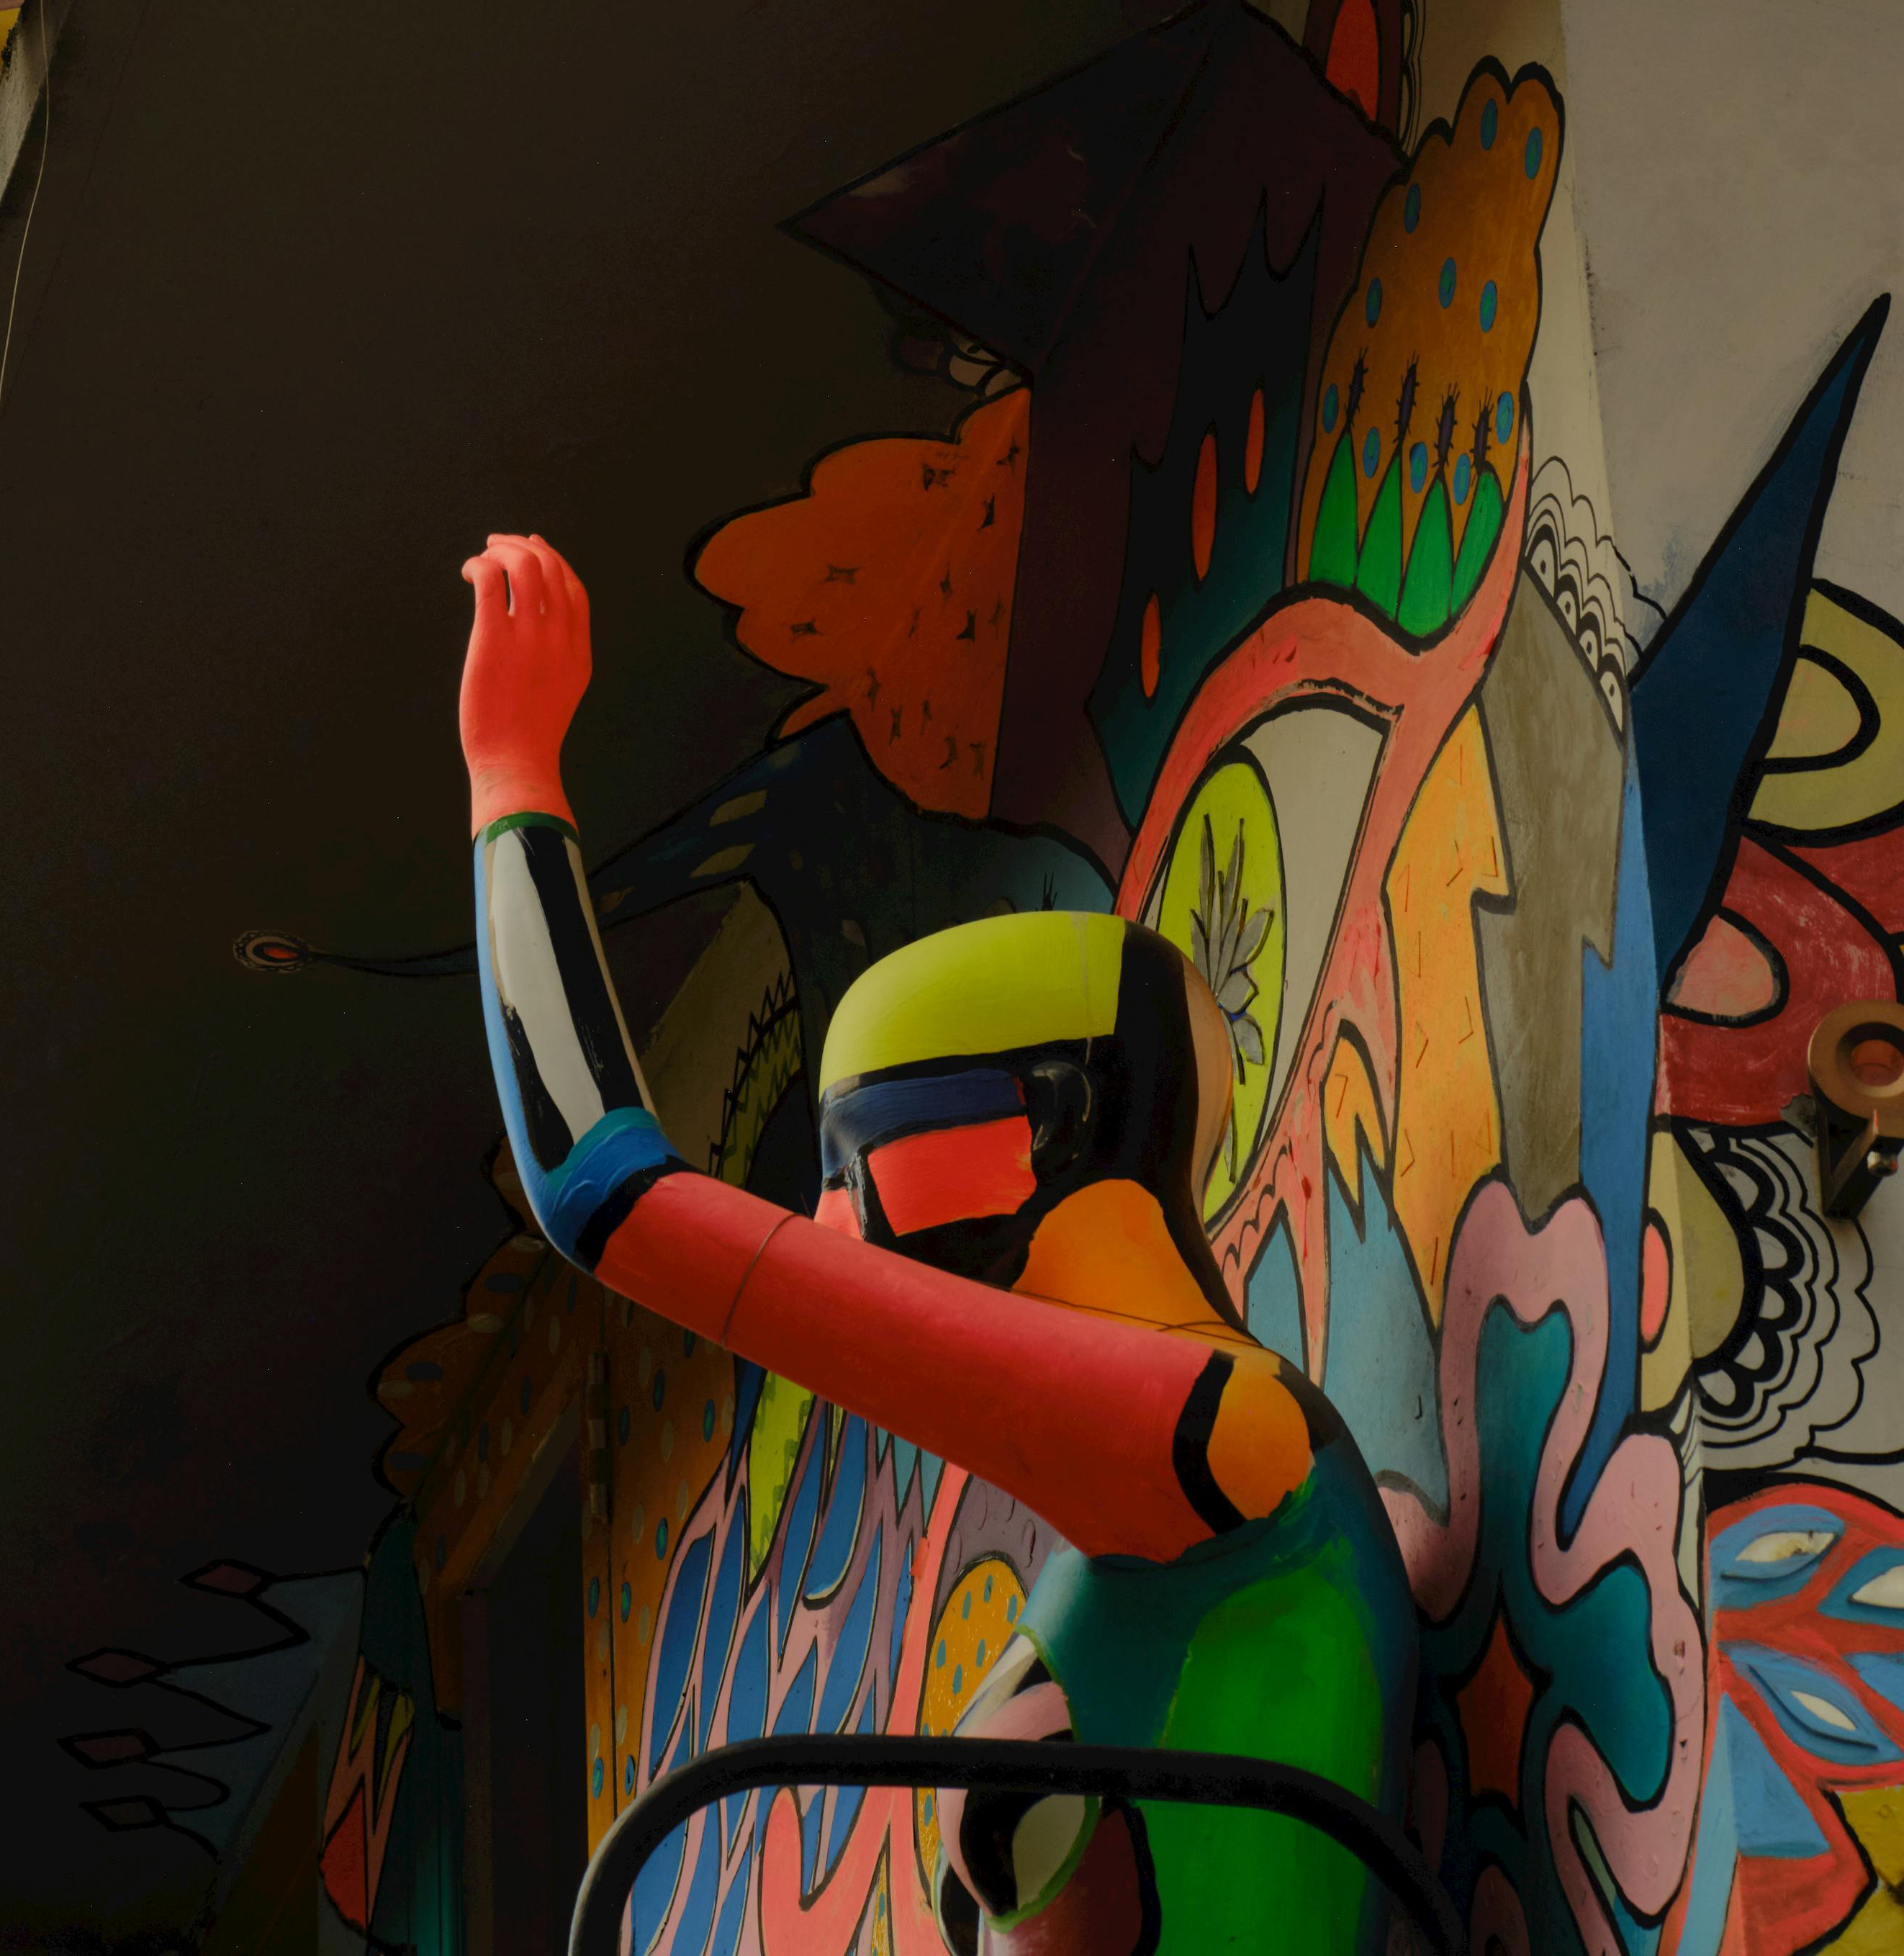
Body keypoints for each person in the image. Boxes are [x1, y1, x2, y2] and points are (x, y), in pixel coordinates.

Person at [458, 531, 1419, 1956]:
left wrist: (512, 781)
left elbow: (604, 1194)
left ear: (1055, 1121)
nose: (832, 1224)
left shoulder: (1230, 1444)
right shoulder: (1154, 1525)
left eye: (875, 1152)